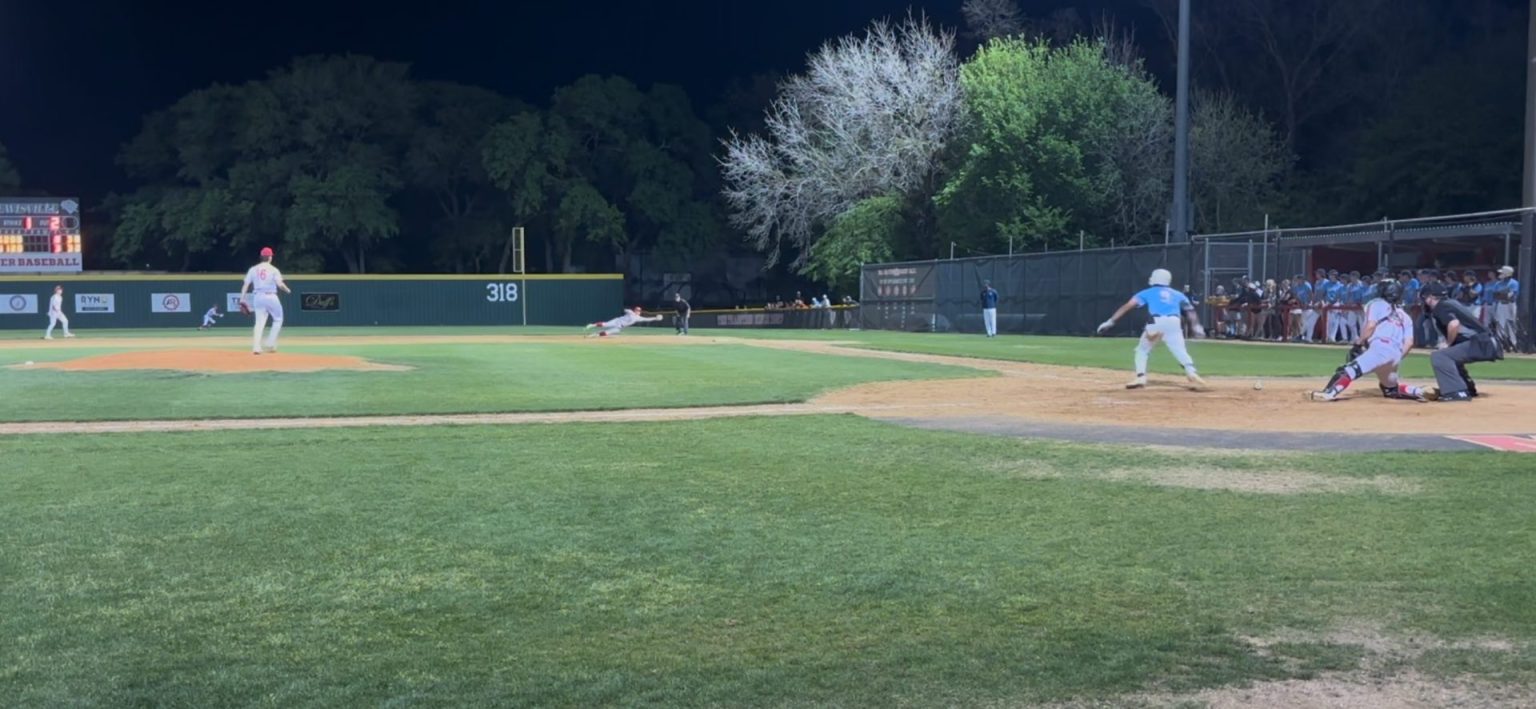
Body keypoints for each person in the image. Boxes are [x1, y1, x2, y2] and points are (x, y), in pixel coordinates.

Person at [1308, 280, 1430, 402]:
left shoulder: (1376, 304)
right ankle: (1420, 391)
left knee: (1347, 371)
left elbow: (1371, 326)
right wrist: (1396, 357)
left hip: (1380, 348)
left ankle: (1328, 393)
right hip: (1396, 354)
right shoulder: (1404, 316)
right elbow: (1409, 342)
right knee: (1390, 389)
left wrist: (1358, 343)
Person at [1097, 268, 1208, 391]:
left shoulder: (1147, 292)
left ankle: (1141, 376)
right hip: (1174, 322)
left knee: (1142, 350)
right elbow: (1190, 311)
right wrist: (1196, 326)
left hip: (1156, 322)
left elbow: (1127, 306)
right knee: (1179, 349)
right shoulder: (1177, 294)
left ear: (1155, 278)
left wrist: (1110, 321)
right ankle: (1191, 372)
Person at [1419, 283, 1503, 402]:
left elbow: (1454, 324)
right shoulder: (1450, 303)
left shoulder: (1441, 306)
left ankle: (1456, 392)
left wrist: (1447, 343)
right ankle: (1467, 388)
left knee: (1439, 356)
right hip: (1486, 342)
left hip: (1482, 343)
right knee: (1451, 354)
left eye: (1425, 298)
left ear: (1431, 297)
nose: (1424, 302)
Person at [239, 246, 291, 355]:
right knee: (278, 319)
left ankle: (256, 347)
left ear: (261, 257)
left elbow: (246, 284)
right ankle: (270, 342)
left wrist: (242, 298)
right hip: (271, 296)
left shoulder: (253, 269)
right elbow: (280, 284)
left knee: (259, 323)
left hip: (258, 297)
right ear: (270, 257)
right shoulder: (274, 269)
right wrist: (287, 290)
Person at [1490, 265, 1521, 350]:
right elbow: (1495, 295)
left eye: (1502, 272)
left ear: (1507, 274)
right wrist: (1504, 294)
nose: (1500, 274)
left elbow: (1511, 297)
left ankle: (1514, 344)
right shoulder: (1498, 283)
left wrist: (1502, 295)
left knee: (1511, 324)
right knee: (1500, 324)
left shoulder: (1514, 283)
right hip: (1501, 305)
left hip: (1510, 305)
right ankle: (1501, 344)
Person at [584, 306, 663, 338]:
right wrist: (629, 311)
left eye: (639, 311)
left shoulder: (638, 318)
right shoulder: (631, 312)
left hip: (619, 327)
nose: (638, 311)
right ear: (635, 310)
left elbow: (647, 319)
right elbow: (625, 310)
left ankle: (594, 335)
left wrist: (655, 318)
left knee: (607, 333)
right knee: (605, 324)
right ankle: (592, 325)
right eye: (637, 310)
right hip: (617, 321)